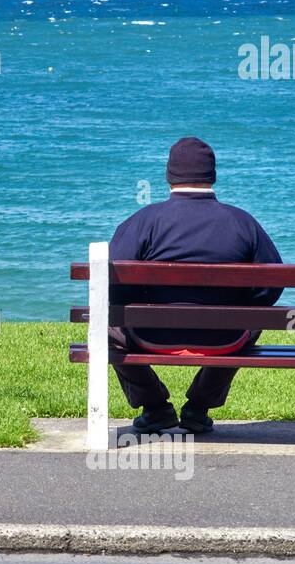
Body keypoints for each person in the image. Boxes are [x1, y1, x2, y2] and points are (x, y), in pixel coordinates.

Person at [108, 137, 283, 435]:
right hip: (224, 338)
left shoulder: (144, 221)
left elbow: (112, 283)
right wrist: (240, 307)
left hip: (150, 335)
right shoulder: (242, 222)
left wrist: (140, 307)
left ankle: (155, 408)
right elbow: (272, 284)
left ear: (169, 175)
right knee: (251, 320)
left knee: (107, 328)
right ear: (212, 176)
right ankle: (198, 409)